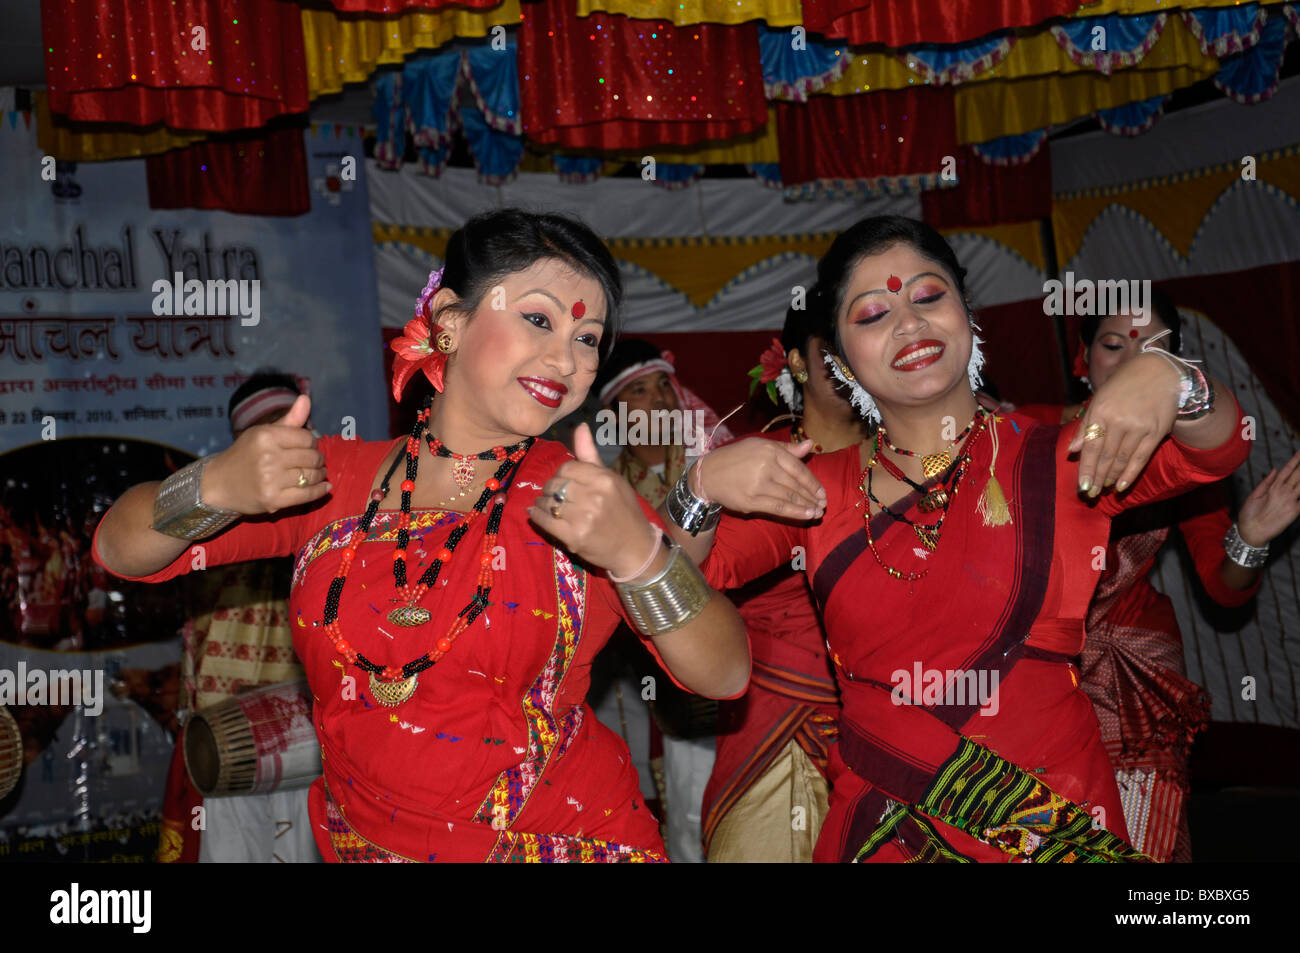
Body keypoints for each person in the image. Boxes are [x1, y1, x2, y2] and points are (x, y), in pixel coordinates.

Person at [93, 208, 753, 863]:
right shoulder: (336, 480)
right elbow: (118, 547)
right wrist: (212, 486)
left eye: (588, 338)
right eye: (539, 318)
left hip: (559, 842)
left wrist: (638, 556)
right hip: (365, 844)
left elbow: (725, 673)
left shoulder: (580, 502)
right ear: (451, 322)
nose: (566, 358)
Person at [658, 215, 1251, 862]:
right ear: (839, 357)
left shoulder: (1056, 455)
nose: (909, 323)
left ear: (967, 312)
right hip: (887, 830)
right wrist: (701, 485)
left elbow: (1218, 448)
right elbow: (673, 576)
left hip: (1052, 824)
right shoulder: (811, 491)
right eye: (873, 313)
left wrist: (1174, 378)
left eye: (929, 296)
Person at [1016, 292, 1300, 861]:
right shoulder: (1025, 432)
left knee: (1140, 848)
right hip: (1032, 671)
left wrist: (1252, 537)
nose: (1130, 366)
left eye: (1153, 352)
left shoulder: (1189, 455)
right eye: (1113, 346)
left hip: (1133, 673)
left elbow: (1225, 591)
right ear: (1083, 360)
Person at [702, 308, 865, 862]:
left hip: (890, 716)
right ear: (795, 362)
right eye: (830, 350)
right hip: (775, 714)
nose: (848, 363)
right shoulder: (751, 462)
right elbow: (686, 573)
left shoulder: (907, 461)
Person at [152, 371, 318, 863]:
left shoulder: (335, 499)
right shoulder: (214, 506)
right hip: (225, 734)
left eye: (293, 421)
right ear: (243, 439)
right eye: (268, 426)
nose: (285, 434)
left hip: (310, 734)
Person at [589, 339, 737, 862]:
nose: (658, 400)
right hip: (626, 677)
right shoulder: (605, 491)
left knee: (715, 810)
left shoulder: (712, 467)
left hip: (721, 665)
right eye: (639, 391)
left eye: (662, 387)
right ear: (614, 411)